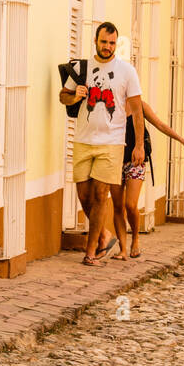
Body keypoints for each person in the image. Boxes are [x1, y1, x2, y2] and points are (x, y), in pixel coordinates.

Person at [59, 22, 144, 265]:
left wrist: (138, 145)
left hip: (112, 142)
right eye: (104, 42)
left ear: (116, 44)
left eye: (112, 43)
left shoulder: (127, 71)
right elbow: (62, 96)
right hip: (83, 140)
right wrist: (75, 95)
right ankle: (104, 235)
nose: (107, 47)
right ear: (95, 41)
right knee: (84, 196)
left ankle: (90, 252)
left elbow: (137, 112)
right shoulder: (81, 68)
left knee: (100, 194)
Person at [113, 101, 184, 260]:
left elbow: (160, 125)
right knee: (117, 207)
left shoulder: (139, 105)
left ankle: (135, 238)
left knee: (130, 204)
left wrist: (182, 140)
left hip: (135, 162)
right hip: (113, 161)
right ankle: (122, 249)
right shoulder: (110, 102)